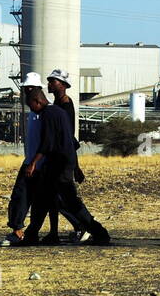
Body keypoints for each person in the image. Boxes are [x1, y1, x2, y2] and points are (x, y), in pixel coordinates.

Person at [14, 86, 110, 246]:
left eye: (31, 106)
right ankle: (35, 234)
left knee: (70, 202)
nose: (32, 110)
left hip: (59, 164)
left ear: (37, 101)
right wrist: (76, 166)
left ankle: (99, 232)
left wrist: (34, 162)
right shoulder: (58, 112)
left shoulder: (48, 114)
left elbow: (48, 142)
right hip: (62, 163)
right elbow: (71, 140)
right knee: (44, 198)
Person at [1, 72, 44, 246]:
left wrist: (35, 162)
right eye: (26, 89)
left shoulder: (44, 112)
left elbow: (47, 140)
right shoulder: (33, 111)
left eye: (29, 88)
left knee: (56, 199)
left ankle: (84, 225)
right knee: (20, 195)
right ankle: (17, 230)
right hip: (31, 161)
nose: (27, 91)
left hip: (39, 163)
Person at [45, 69, 87, 243]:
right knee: (52, 198)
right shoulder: (56, 104)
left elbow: (69, 138)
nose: (49, 84)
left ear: (62, 85)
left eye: (52, 81)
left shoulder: (66, 105)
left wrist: (75, 166)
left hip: (63, 160)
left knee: (64, 198)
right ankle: (53, 233)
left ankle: (82, 226)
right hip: (55, 158)